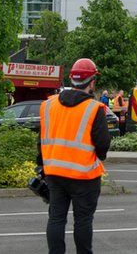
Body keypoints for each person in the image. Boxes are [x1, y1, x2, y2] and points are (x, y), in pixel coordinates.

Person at [38, 58, 111, 254]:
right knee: (83, 221)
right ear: (92, 82)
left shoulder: (48, 105)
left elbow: (41, 140)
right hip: (83, 176)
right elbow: (103, 146)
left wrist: (42, 166)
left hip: (54, 173)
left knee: (56, 218)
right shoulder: (94, 108)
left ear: (72, 79)